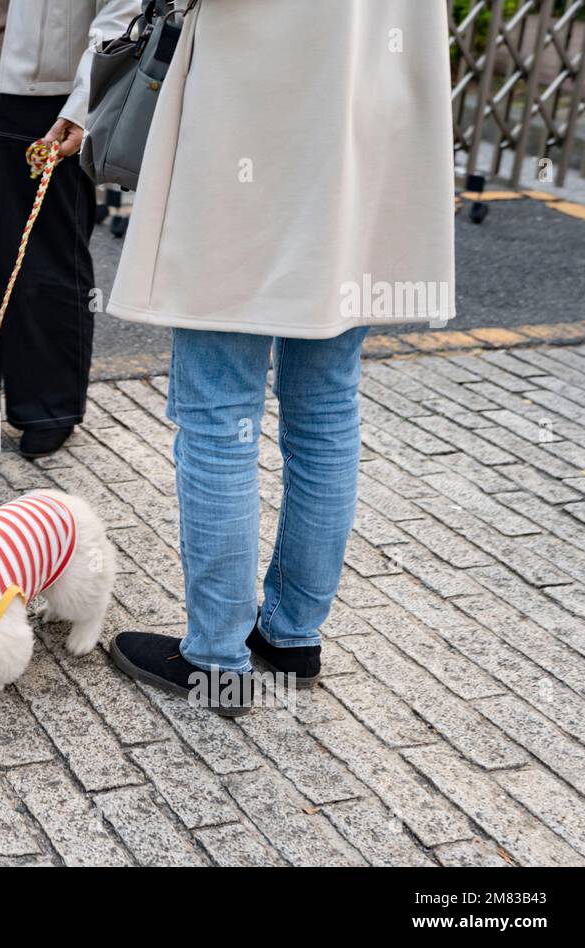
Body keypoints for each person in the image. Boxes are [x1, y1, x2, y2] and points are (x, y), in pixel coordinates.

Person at [106, 0, 455, 714]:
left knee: (217, 408)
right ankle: (292, 633)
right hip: (369, 123)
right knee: (327, 402)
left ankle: (216, 655)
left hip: (254, 123)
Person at [0, 0, 137, 458]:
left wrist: (83, 104)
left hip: (55, 92)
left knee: (44, 252)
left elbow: (123, 12)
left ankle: (48, 406)